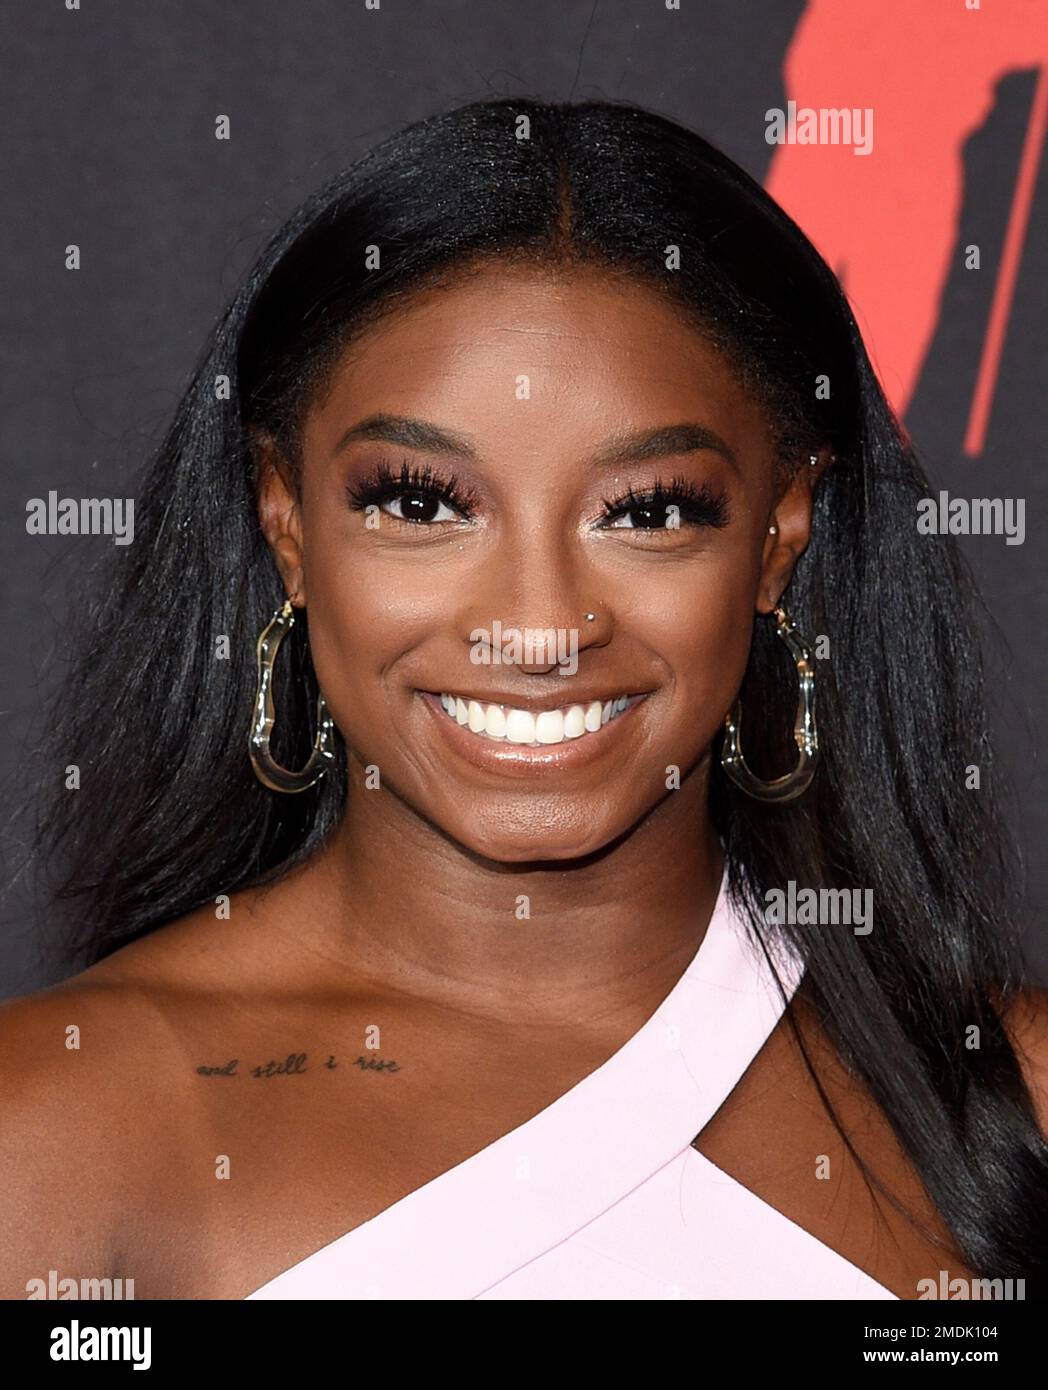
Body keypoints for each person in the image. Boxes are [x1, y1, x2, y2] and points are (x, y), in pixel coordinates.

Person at [2, 97, 1046, 1301]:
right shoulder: (53, 1128)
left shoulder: (1007, 1097)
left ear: (778, 536)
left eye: (648, 511)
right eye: (422, 502)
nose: (541, 625)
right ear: (285, 523)